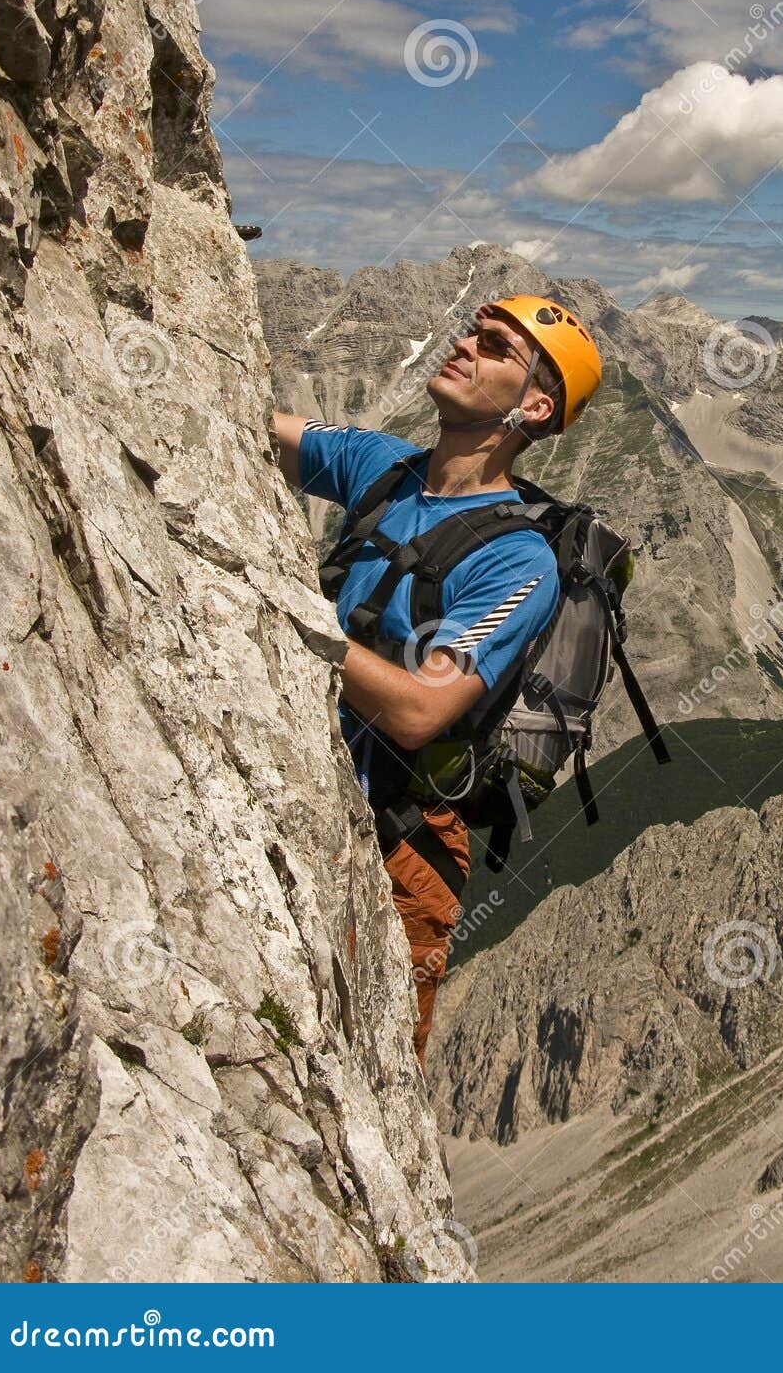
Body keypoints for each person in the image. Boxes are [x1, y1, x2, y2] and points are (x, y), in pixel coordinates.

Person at [272, 297, 602, 1070]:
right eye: (472, 332)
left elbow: (422, 709)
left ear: (534, 407)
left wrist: (288, 617)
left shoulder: (517, 562)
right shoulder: (382, 468)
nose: (463, 345)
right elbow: (241, 421)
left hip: (402, 847)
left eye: (493, 346)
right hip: (308, 785)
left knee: (368, 1078)